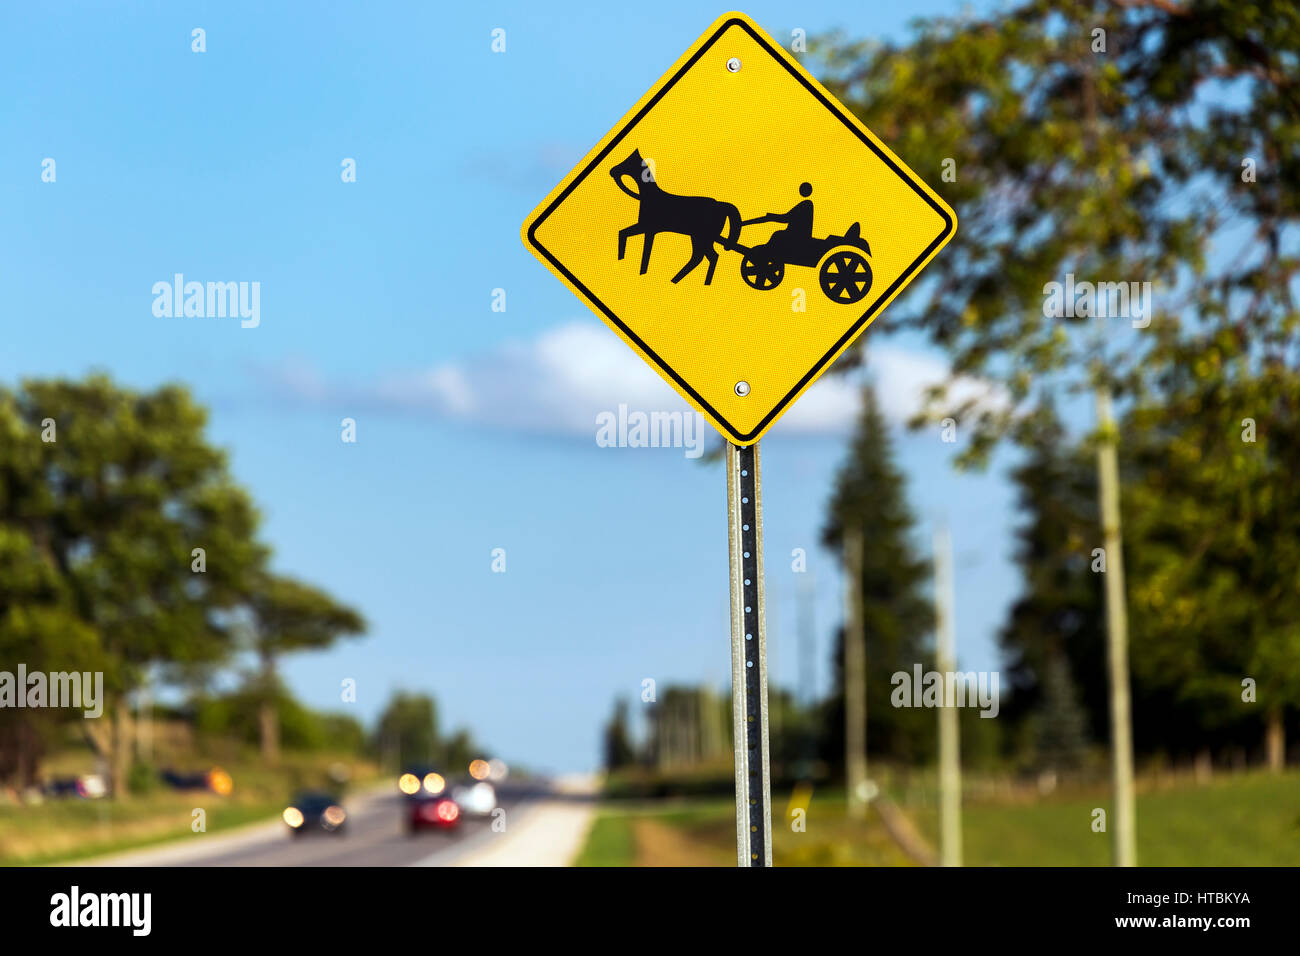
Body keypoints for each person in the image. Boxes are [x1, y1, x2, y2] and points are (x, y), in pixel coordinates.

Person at [745, 183, 814, 258]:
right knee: (778, 235)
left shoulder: (806, 204)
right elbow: (786, 217)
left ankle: (765, 255)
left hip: (797, 236)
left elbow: (786, 218)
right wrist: (772, 217)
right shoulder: (806, 204)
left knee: (778, 235)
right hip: (797, 235)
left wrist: (771, 217)